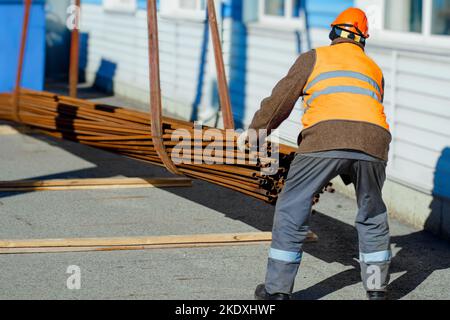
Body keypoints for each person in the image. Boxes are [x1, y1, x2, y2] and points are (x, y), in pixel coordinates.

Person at [238, 8, 392, 300]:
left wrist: (256, 134)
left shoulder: (314, 57)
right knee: (372, 213)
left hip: (323, 138)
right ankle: (376, 289)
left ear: (334, 34)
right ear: (362, 40)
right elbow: (362, 114)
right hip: (374, 143)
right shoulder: (373, 68)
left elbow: (279, 101)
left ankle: (278, 290)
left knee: (293, 206)